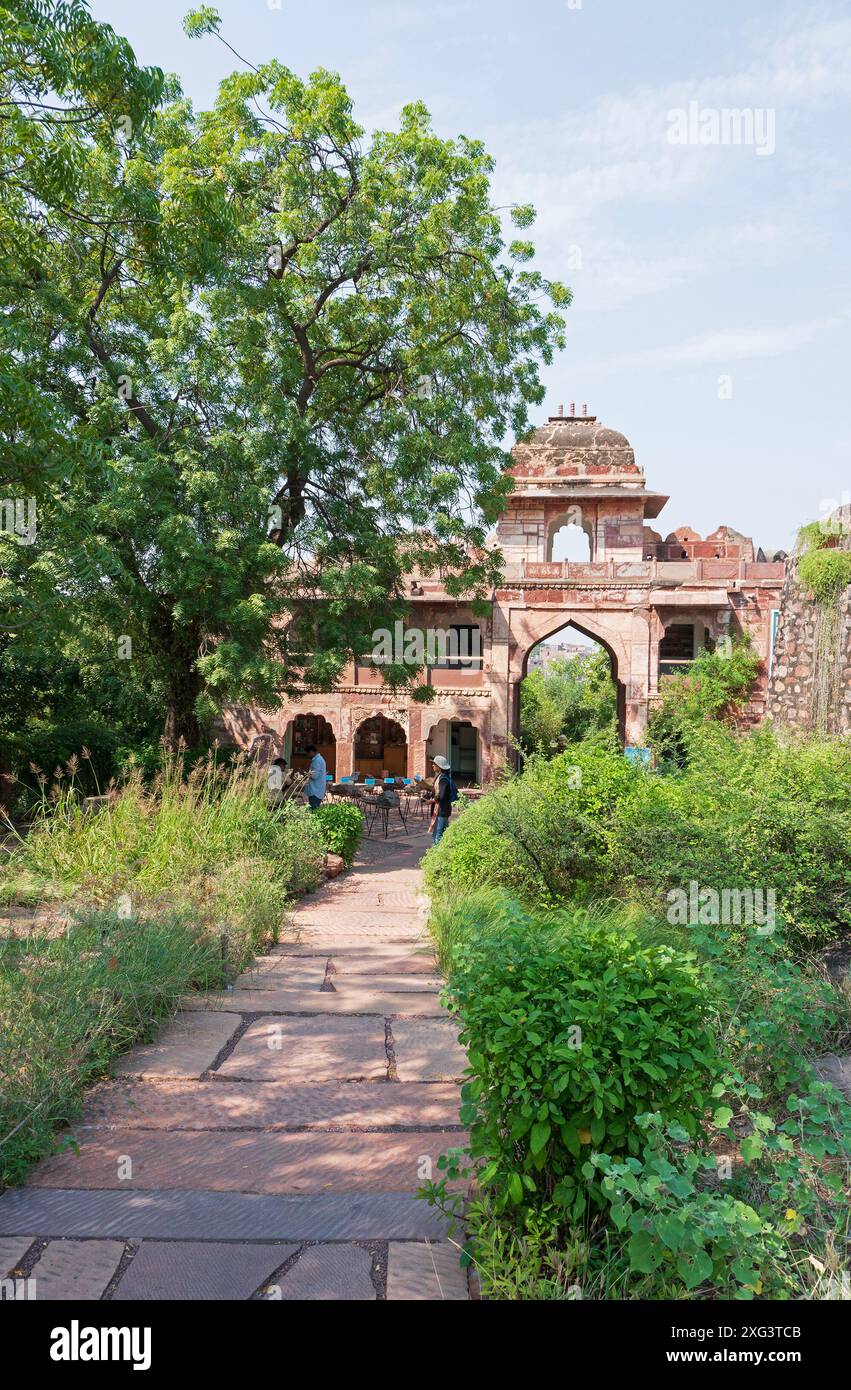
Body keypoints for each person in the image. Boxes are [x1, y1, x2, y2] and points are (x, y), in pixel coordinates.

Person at [428, 754, 453, 845]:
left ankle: (436, 855)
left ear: (439, 766)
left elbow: (442, 795)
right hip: (444, 809)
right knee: (444, 832)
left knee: (437, 834)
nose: (433, 765)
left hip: (441, 810)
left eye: (434, 764)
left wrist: (432, 800)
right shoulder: (442, 777)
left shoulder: (443, 779)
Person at [305, 744, 327, 809]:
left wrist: (306, 774)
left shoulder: (317, 760)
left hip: (315, 790)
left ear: (311, 752)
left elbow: (314, 776)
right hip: (316, 789)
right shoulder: (318, 759)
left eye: (308, 753)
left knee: (314, 810)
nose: (307, 756)